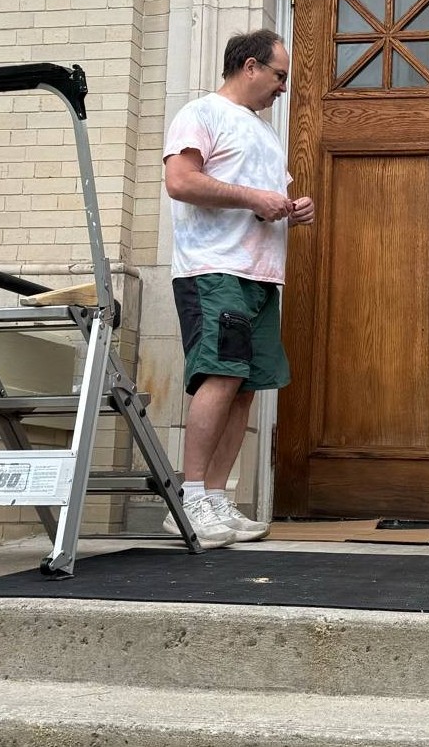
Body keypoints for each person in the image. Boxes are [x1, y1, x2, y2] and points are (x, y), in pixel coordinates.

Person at [161, 28, 315, 546]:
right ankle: (190, 502)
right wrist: (254, 197)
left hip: (260, 275)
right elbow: (181, 181)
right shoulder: (200, 114)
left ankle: (218, 500)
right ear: (250, 66)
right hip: (213, 271)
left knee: (246, 388)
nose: (282, 88)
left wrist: (292, 211)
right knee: (220, 377)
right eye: (279, 76)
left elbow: (263, 204)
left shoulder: (265, 134)